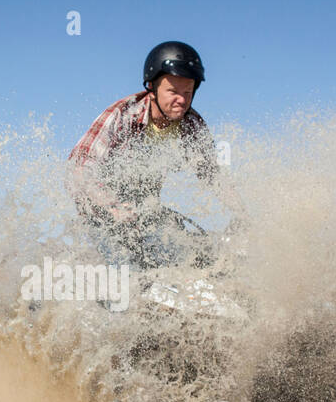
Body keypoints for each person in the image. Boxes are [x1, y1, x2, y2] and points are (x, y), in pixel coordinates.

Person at [67, 41, 243, 269]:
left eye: (188, 92)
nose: (181, 99)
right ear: (151, 87)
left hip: (146, 213)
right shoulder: (123, 114)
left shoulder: (192, 124)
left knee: (195, 259)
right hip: (101, 216)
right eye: (172, 91)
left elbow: (212, 175)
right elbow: (79, 168)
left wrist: (242, 214)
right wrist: (112, 206)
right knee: (129, 274)